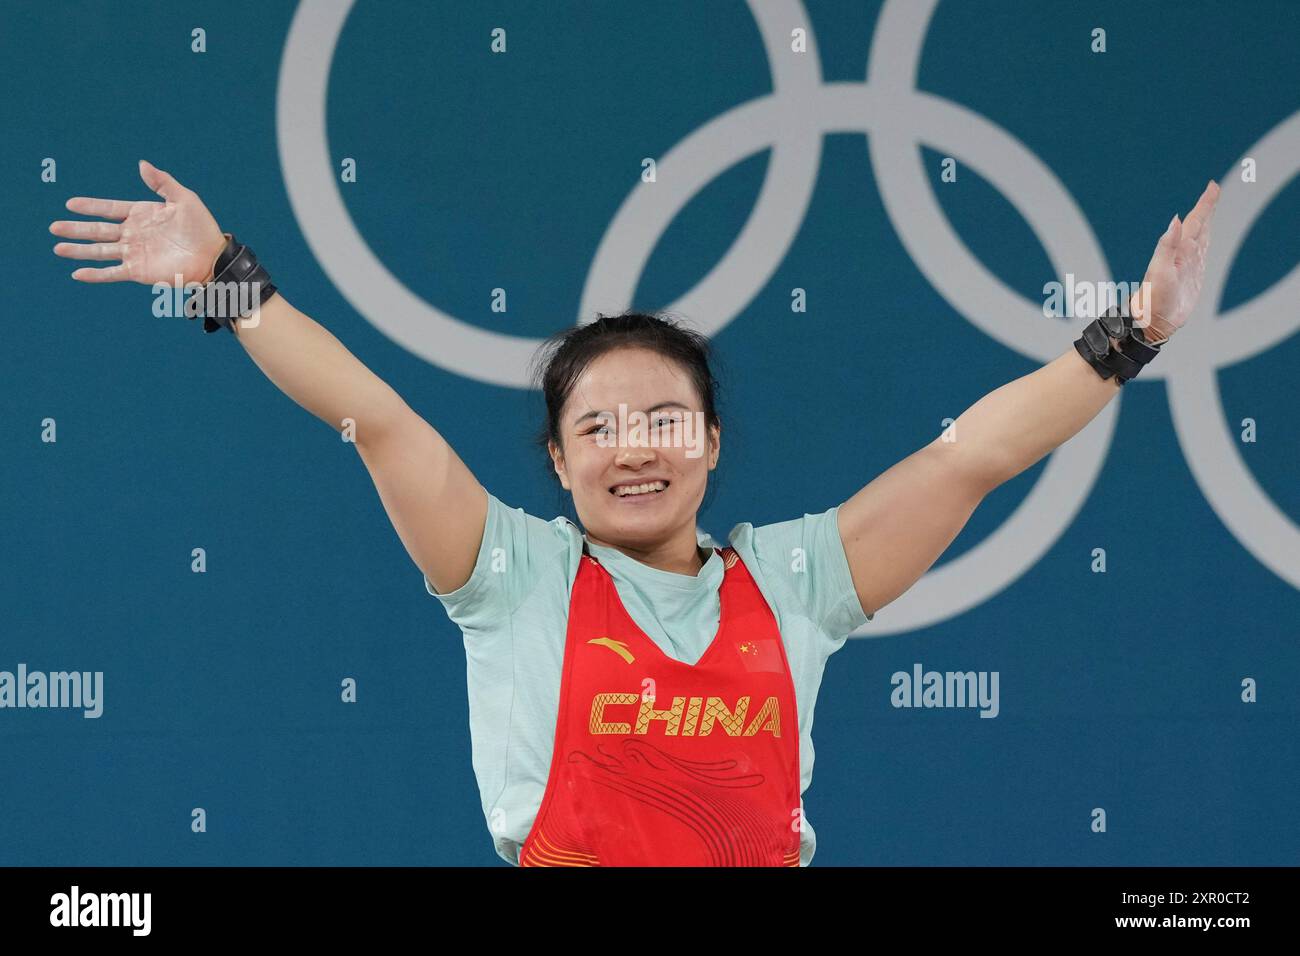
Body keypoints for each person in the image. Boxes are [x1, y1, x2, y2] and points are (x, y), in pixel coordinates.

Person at [50, 160, 1219, 866]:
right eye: (597, 429)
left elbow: (972, 457)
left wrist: (1137, 332)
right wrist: (227, 275)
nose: (634, 448)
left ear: (712, 442)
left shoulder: (797, 578)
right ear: (557, 464)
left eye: (663, 419)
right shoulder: (511, 572)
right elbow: (380, 418)